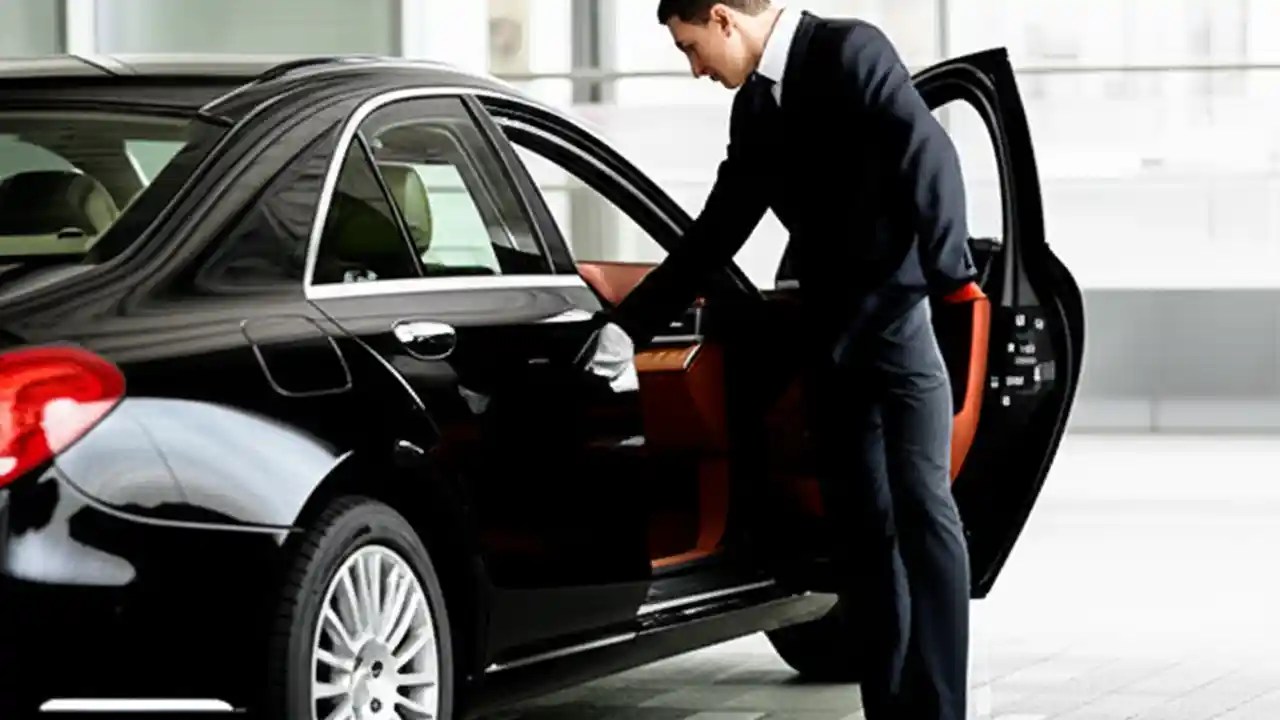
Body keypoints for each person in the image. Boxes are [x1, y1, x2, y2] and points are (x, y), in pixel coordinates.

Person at [607, 2, 977, 719]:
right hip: (830, 343)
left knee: (924, 514)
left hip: (898, 327)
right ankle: (890, 706)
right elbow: (715, 232)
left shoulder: (850, 51)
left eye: (691, 47)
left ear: (723, 19)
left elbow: (930, 153)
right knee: (864, 536)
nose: (694, 68)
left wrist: (950, 275)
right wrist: (632, 326)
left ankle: (941, 709)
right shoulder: (755, 110)